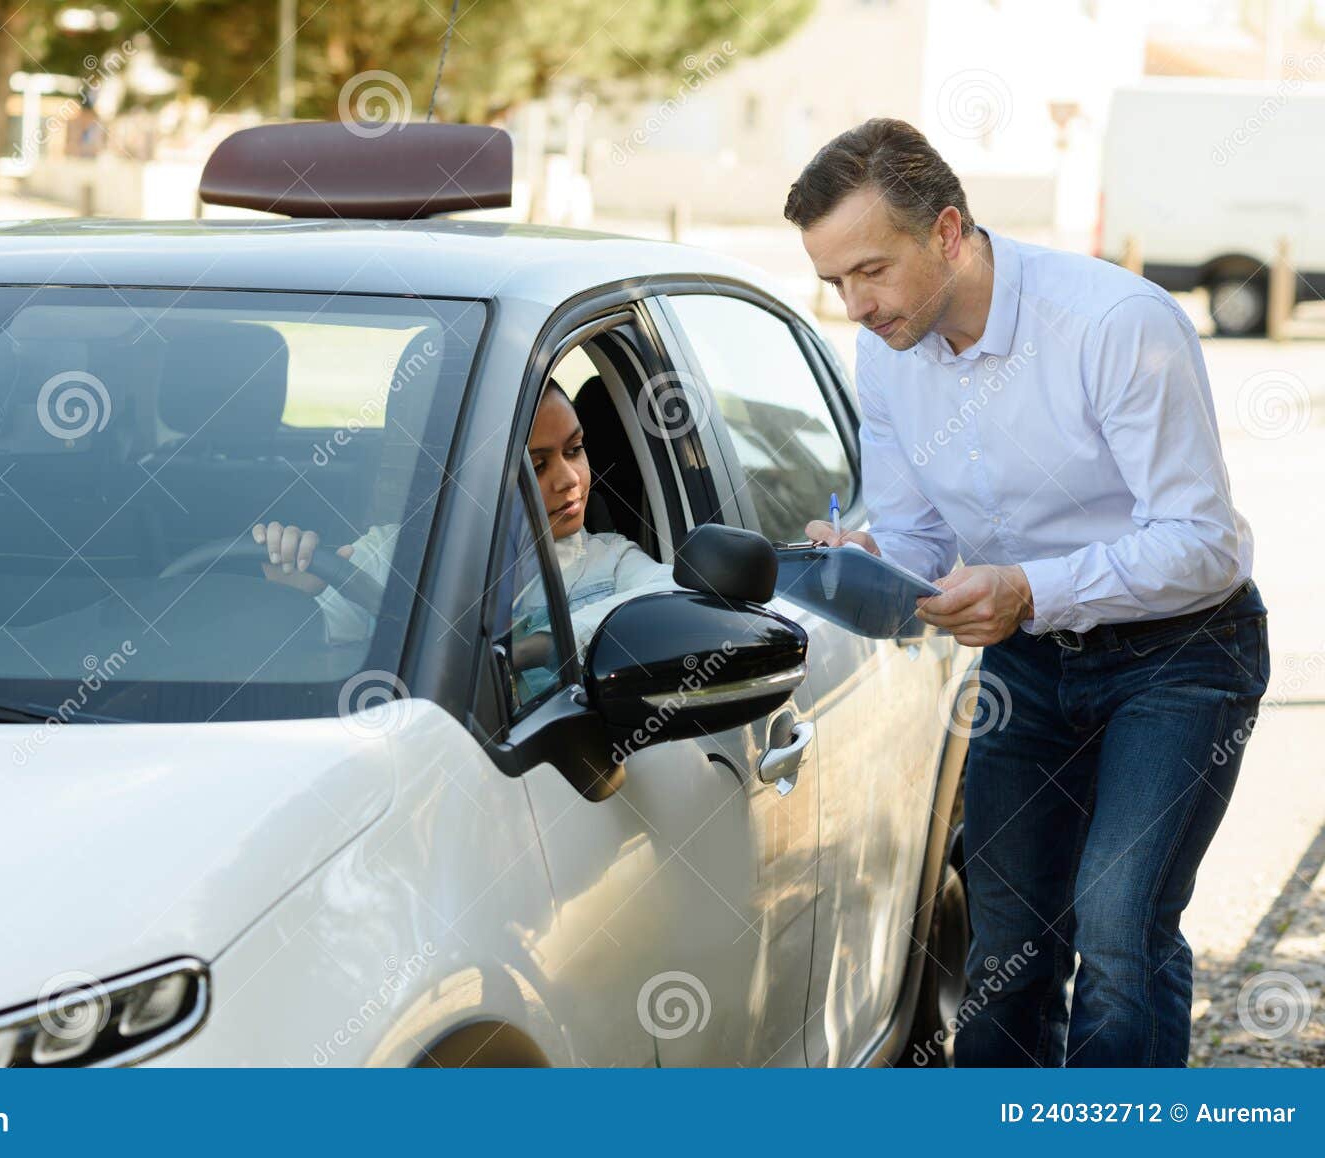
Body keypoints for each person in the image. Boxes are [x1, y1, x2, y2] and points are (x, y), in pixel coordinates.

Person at [785, 117, 1268, 1067]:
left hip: (1181, 658)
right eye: (834, 281)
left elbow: (1204, 545)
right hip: (1028, 666)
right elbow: (924, 536)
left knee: (1121, 928)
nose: (855, 305)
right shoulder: (884, 352)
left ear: (950, 232)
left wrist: (1029, 590)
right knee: (1008, 944)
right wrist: (870, 553)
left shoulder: (1116, 323)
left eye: (871, 270)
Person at [255, 379, 672, 661]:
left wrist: (544, 646)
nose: (569, 480)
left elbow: (669, 598)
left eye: (574, 449)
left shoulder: (611, 561)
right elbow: (325, 632)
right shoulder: (397, 552)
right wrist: (297, 593)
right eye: (536, 467)